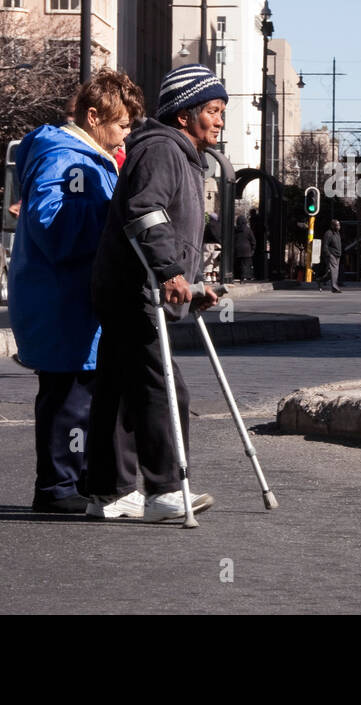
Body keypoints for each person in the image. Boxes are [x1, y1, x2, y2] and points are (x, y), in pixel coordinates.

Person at [86, 64, 224, 523]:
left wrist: (193, 284)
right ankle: (165, 489)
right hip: (133, 287)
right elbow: (146, 213)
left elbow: (169, 229)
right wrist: (168, 272)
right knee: (163, 386)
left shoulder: (177, 154)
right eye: (212, 110)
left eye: (222, 111)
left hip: (131, 284)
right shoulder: (163, 149)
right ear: (184, 115)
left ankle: (111, 490)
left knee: (121, 389)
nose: (219, 120)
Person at [9, 72, 145, 514]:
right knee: (67, 397)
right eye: (122, 125)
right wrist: (113, 222)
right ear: (94, 116)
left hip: (72, 300)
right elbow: (54, 226)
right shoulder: (64, 159)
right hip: (62, 302)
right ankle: (57, 489)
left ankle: (76, 482)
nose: (126, 134)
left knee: (81, 395)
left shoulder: (84, 157)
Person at [320, 219, 343, 292]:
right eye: (337, 225)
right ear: (333, 226)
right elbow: (325, 245)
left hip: (337, 254)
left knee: (332, 272)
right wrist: (328, 254)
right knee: (334, 270)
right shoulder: (329, 233)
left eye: (339, 225)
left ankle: (320, 280)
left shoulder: (337, 233)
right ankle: (334, 287)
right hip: (331, 254)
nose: (339, 226)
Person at [233, 215, 255, 280]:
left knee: (239, 264)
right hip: (247, 250)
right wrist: (253, 249)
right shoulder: (248, 230)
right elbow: (253, 240)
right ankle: (245, 276)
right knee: (246, 264)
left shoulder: (236, 230)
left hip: (237, 249)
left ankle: (239, 276)